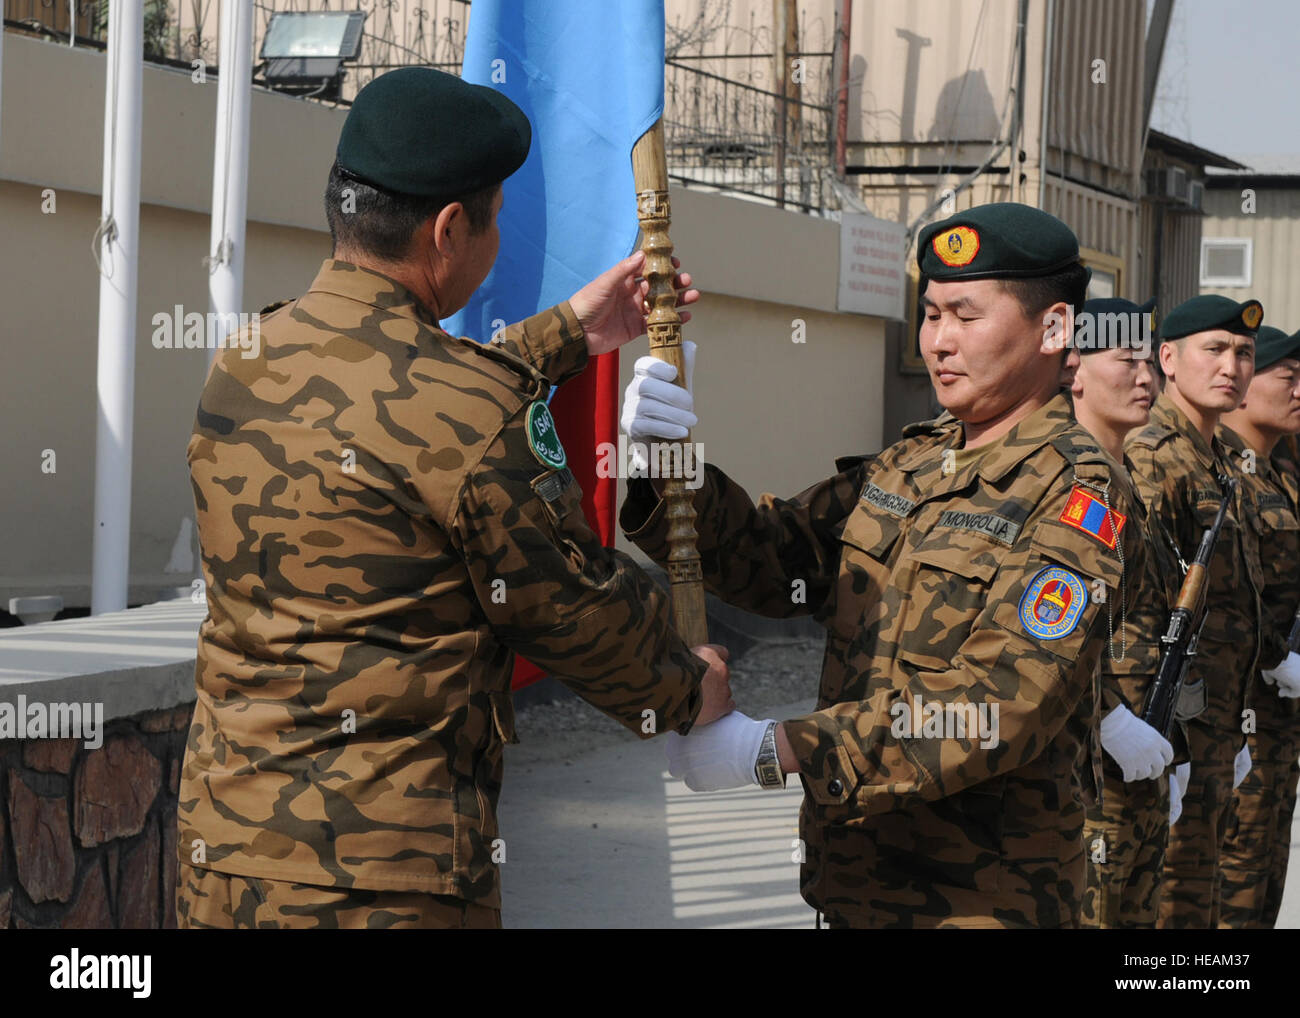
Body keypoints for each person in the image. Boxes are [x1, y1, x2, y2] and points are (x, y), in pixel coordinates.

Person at [175, 67, 732, 930]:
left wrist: (569, 334)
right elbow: (577, 612)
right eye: (497, 216)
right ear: (447, 229)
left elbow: (405, 402)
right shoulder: (472, 411)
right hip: (382, 879)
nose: (498, 237)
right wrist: (693, 688)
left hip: (224, 854)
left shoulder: (246, 359)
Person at [620, 202, 1145, 928]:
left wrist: (771, 748)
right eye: (931, 316)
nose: (940, 342)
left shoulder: (1079, 492)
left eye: (966, 315)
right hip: (855, 880)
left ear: (1054, 329)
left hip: (981, 899)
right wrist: (666, 462)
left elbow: (1001, 703)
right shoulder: (912, 460)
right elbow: (775, 560)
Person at [1123, 294, 1265, 929]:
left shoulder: (1215, 457)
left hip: (1213, 721)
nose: (1231, 365)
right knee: (1170, 901)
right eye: (1215, 349)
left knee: (1199, 897)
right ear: (1169, 360)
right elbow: (1142, 607)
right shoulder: (1156, 455)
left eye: (1243, 353)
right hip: (1173, 726)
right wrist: (1167, 738)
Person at [1068, 297, 1183, 928]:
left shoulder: (1126, 481)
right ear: (1074, 370)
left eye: (1150, 364)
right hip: (1089, 774)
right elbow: (1049, 628)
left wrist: (1179, 744)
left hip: (1145, 759)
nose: (1146, 378)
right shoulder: (1078, 484)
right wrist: (1109, 718)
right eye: (1126, 361)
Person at [1215, 325, 1300, 928]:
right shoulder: (1224, 478)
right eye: (1288, 378)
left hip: (1277, 723)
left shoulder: (1278, 472)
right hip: (1235, 717)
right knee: (1224, 886)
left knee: (1262, 882)